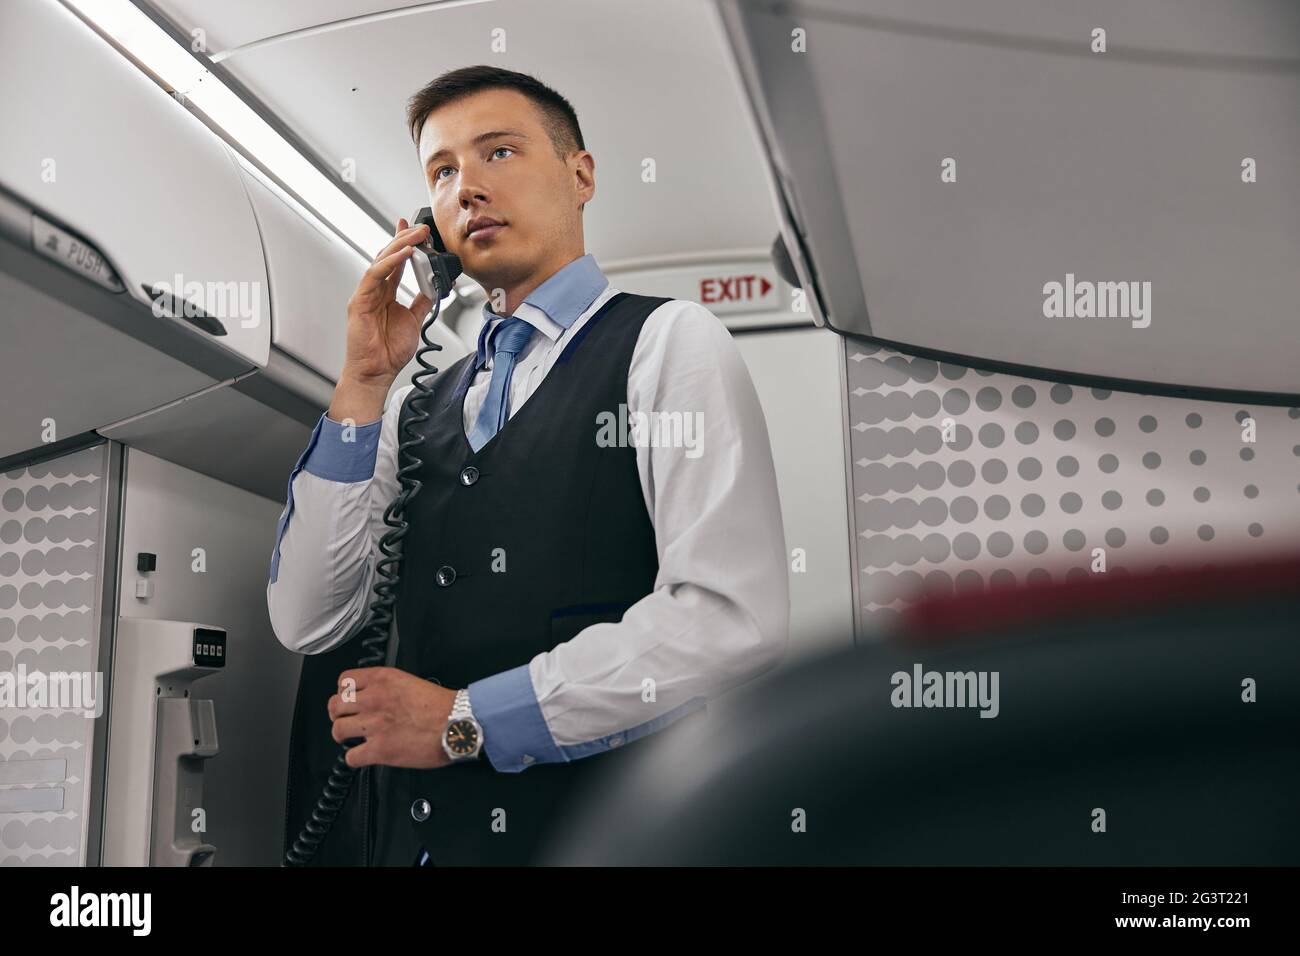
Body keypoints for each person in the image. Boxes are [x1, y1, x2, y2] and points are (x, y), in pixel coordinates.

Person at [267, 64, 789, 865]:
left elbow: (727, 621)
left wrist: (465, 720)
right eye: (442, 172)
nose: (468, 187)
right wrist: (364, 382)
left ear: (581, 176)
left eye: (499, 152)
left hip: (604, 839)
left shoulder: (666, 341)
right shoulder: (414, 405)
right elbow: (309, 618)